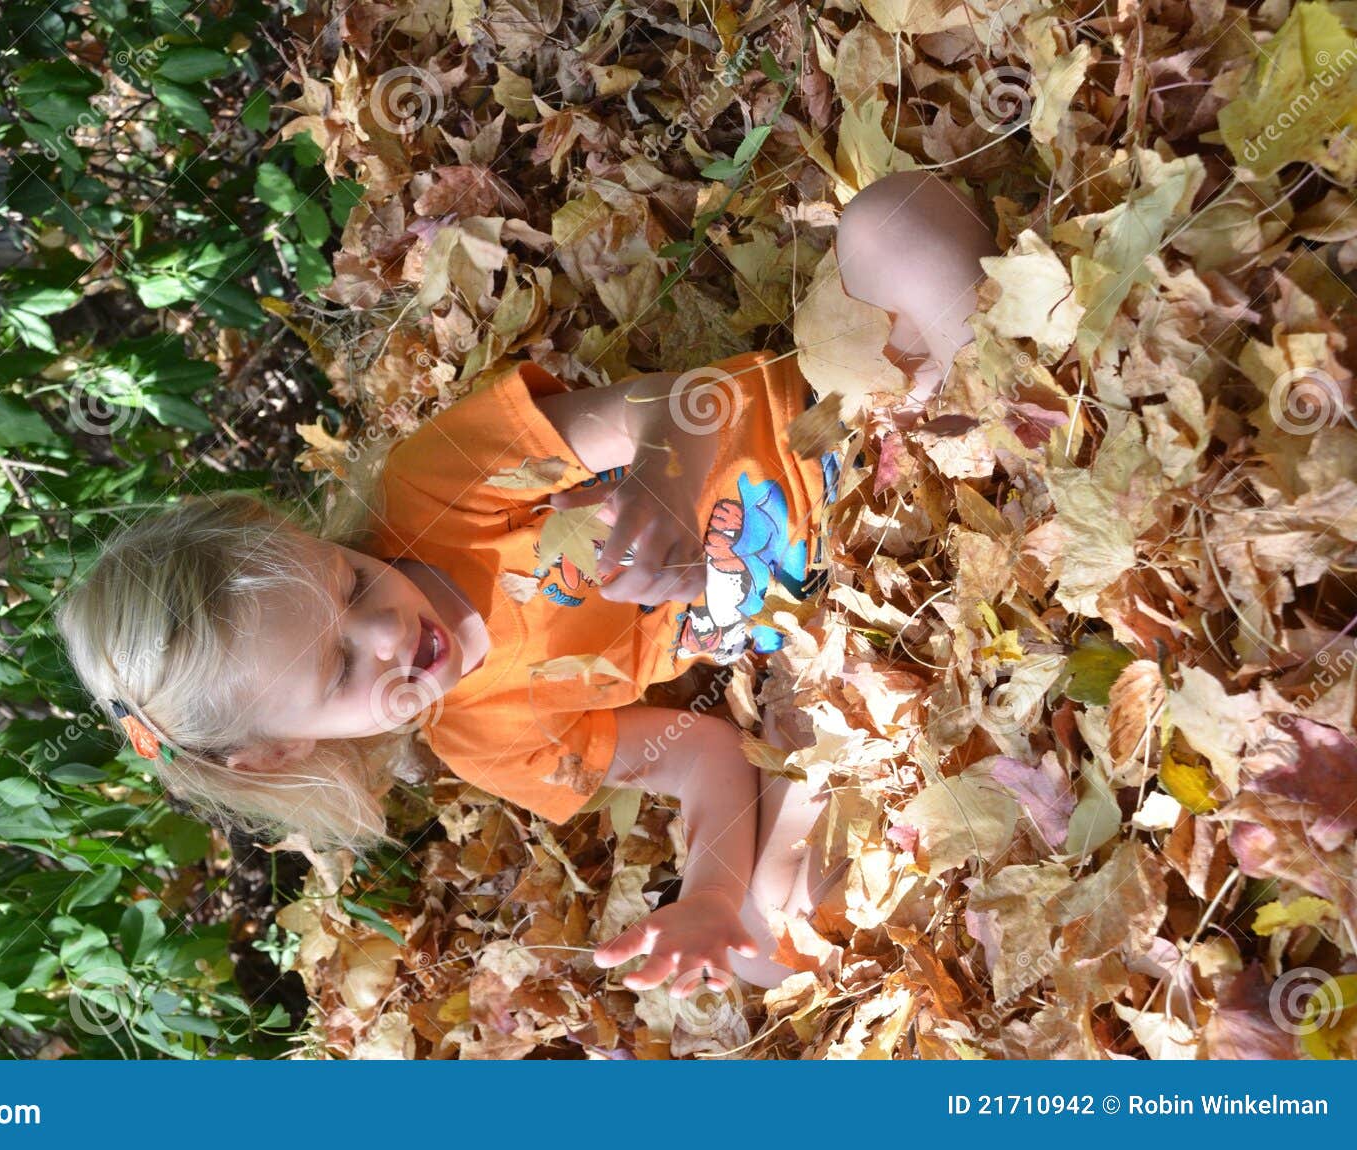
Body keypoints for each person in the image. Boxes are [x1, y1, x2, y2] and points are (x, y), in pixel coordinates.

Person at [55, 172, 1000, 994]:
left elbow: (685, 402)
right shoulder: (489, 742)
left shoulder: (437, 486)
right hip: (825, 638)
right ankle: (984, 552)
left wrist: (669, 491)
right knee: (767, 942)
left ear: (303, 538)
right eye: (338, 670)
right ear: (278, 752)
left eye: (346, 588)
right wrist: (708, 898)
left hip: (852, 429)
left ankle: (1025, 426)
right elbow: (701, 753)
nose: (383, 635)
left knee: (890, 221)